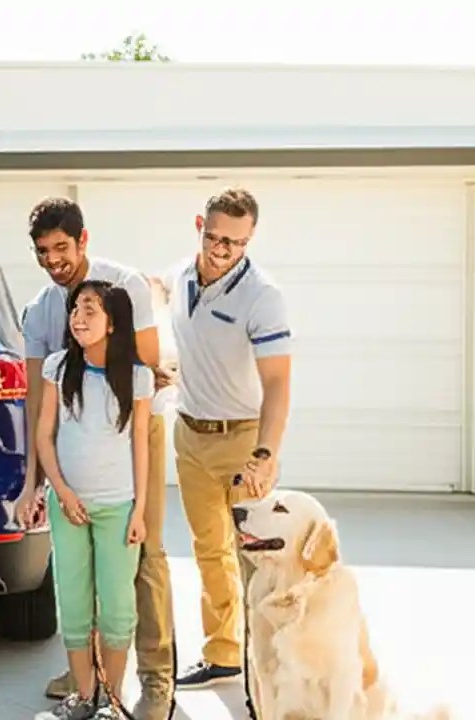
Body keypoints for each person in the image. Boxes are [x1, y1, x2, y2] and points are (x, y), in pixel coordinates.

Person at [14, 198, 176, 720]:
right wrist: (34, 482)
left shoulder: (121, 283)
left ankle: (152, 678)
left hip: (130, 424)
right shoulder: (41, 309)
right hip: (70, 434)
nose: (53, 259)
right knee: (77, 583)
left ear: (83, 241)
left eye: (61, 247)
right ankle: (87, 680)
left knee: (143, 560)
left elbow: (146, 363)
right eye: (43, 251)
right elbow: (39, 402)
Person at [162, 187, 292, 715]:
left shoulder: (263, 295)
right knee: (209, 551)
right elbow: (156, 305)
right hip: (189, 435)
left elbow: (279, 382)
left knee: (256, 559)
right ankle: (222, 654)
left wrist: (266, 453)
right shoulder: (179, 277)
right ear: (200, 225)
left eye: (234, 243)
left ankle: (267, 668)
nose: (221, 249)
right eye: (214, 237)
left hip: (242, 439)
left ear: (250, 239)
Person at [32, 280, 153, 720]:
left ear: (113, 323)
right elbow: (44, 436)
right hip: (69, 508)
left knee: (118, 609)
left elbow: (141, 444)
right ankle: (83, 697)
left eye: (90, 310)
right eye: (75, 310)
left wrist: (139, 511)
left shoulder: (137, 377)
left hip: (118, 508)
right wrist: (61, 492)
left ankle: (113, 702)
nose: (78, 318)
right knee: (76, 605)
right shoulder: (58, 367)